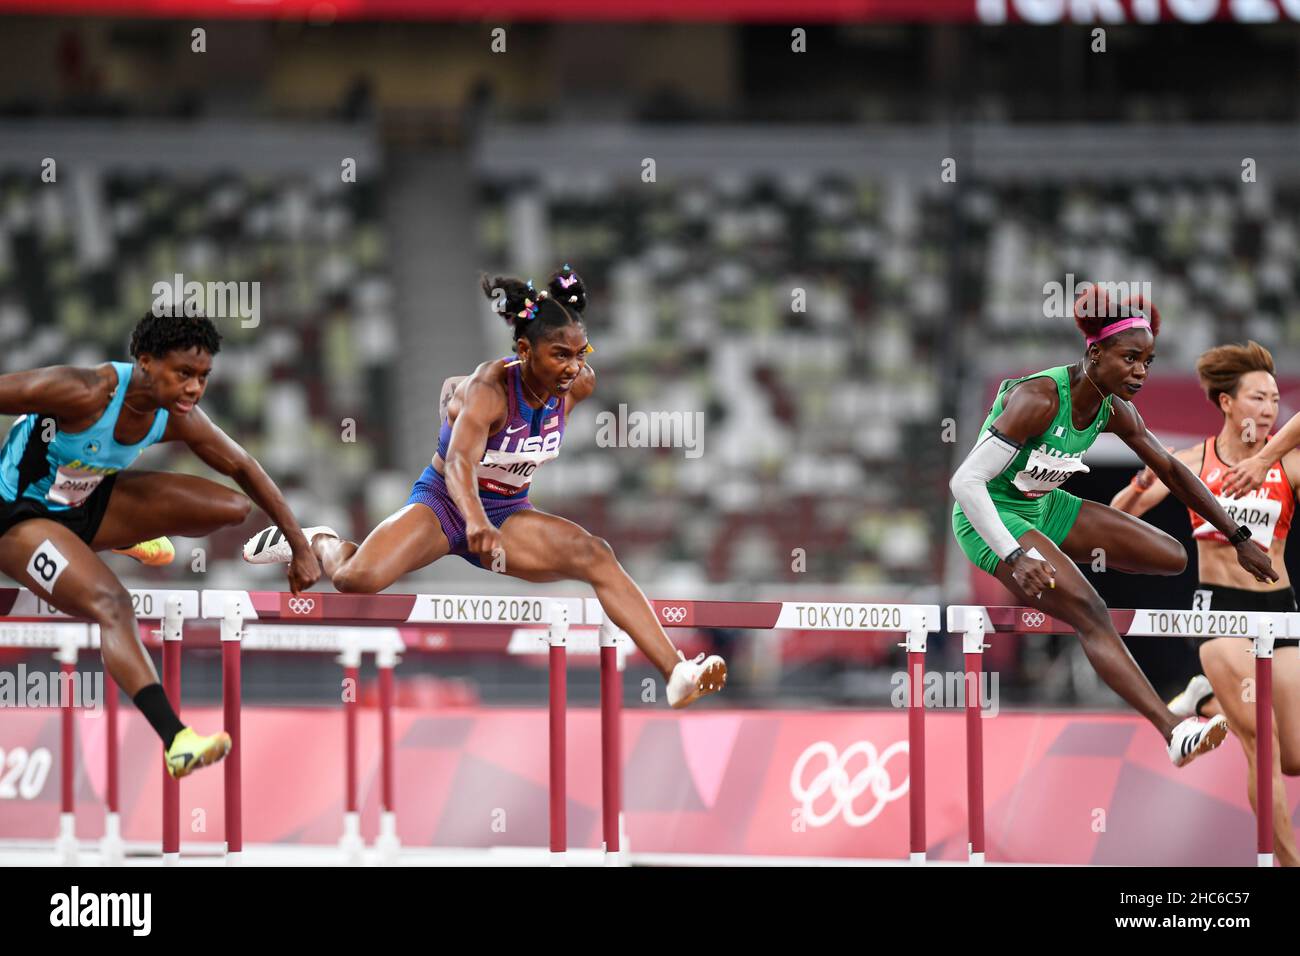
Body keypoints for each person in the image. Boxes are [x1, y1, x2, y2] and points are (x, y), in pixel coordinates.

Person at [244, 265, 725, 708]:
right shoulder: (490, 390)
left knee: (595, 553)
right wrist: (473, 519)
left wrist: (488, 517)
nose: (573, 367)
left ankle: (676, 670)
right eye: (560, 355)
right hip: (445, 506)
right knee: (355, 581)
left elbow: (533, 400)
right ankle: (323, 541)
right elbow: (457, 464)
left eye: (580, 354)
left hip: (507, 512)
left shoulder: (578, 386)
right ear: (523, 351)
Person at [949, 286, 1276, 768]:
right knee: (1091, 611)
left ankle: (1190, 688)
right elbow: (966, 481)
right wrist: (1014, 555)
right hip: (992, 516)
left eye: (1147, 361)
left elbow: (1171, 470)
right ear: (1094, 353)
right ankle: (1173, 730)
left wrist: (1237, 536)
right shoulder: (1037, 398)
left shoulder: (1113, 409)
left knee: (1173, 556)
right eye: (1130, 358)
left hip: (1046, 507)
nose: (1141, 372)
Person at [0, 312, 322, 777]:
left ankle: (123, 537)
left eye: (203, 377)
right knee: (113, 604)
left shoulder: (176, 414)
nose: (194, 388)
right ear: (146, 363)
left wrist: (300, 546)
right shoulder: (84, 391)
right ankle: (176, 740)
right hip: (19, 519)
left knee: (231, 508)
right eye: (184, 374)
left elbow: (244, 465)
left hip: (86, 504)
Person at [1112, 341, 1300, 865]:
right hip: (1219, 613)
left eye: (1272, 400)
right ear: (1226, 403)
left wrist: (1265, 457)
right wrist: (1137, 486)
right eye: (1257, 399)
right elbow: (1117, 518)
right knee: (1261, 740)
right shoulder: (1191, 462)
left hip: (1281, 613)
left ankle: (1205, 699)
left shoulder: (1286, 463)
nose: (1268, 409)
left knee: (1294, 756)